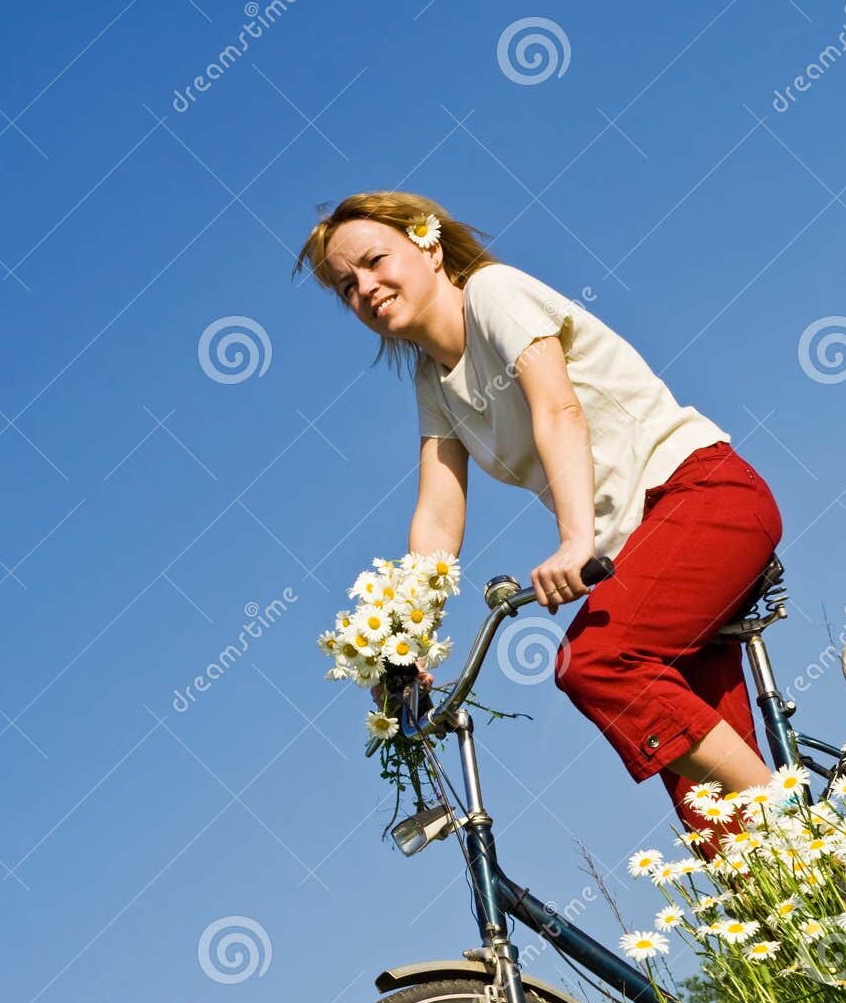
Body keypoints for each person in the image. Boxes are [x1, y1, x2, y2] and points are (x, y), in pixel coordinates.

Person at [293, 191, 784, 839]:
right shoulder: (433, 383)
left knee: (597, 663)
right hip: (640, 560)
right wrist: (401, 647)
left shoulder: (493, 294)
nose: (364, 287)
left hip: (699, 496)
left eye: (374, 261)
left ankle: (799, 821)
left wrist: (575, 540)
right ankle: (803, 874)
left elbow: (557, 408)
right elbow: (438, 515)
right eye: (345, 285)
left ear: (429, 246)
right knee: (717, 822)